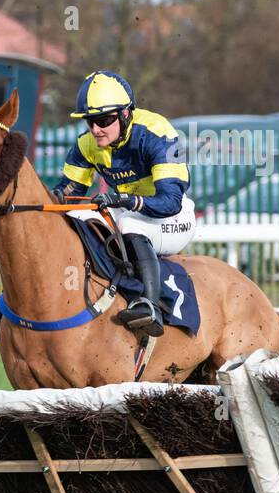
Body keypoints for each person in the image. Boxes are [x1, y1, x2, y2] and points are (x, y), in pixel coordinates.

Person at [51, 70, 195, 337]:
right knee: (76, 218)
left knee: (129, 222)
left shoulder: (156, 133)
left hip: (172, 218)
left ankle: (150, 306)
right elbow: (69, 193)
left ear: (126, 113)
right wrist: (50, 199)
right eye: (90, 121)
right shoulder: (86, 145)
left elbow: (170, 201)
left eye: (104, 120)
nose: (96, 129)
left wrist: (129, 201)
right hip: (126, 210)